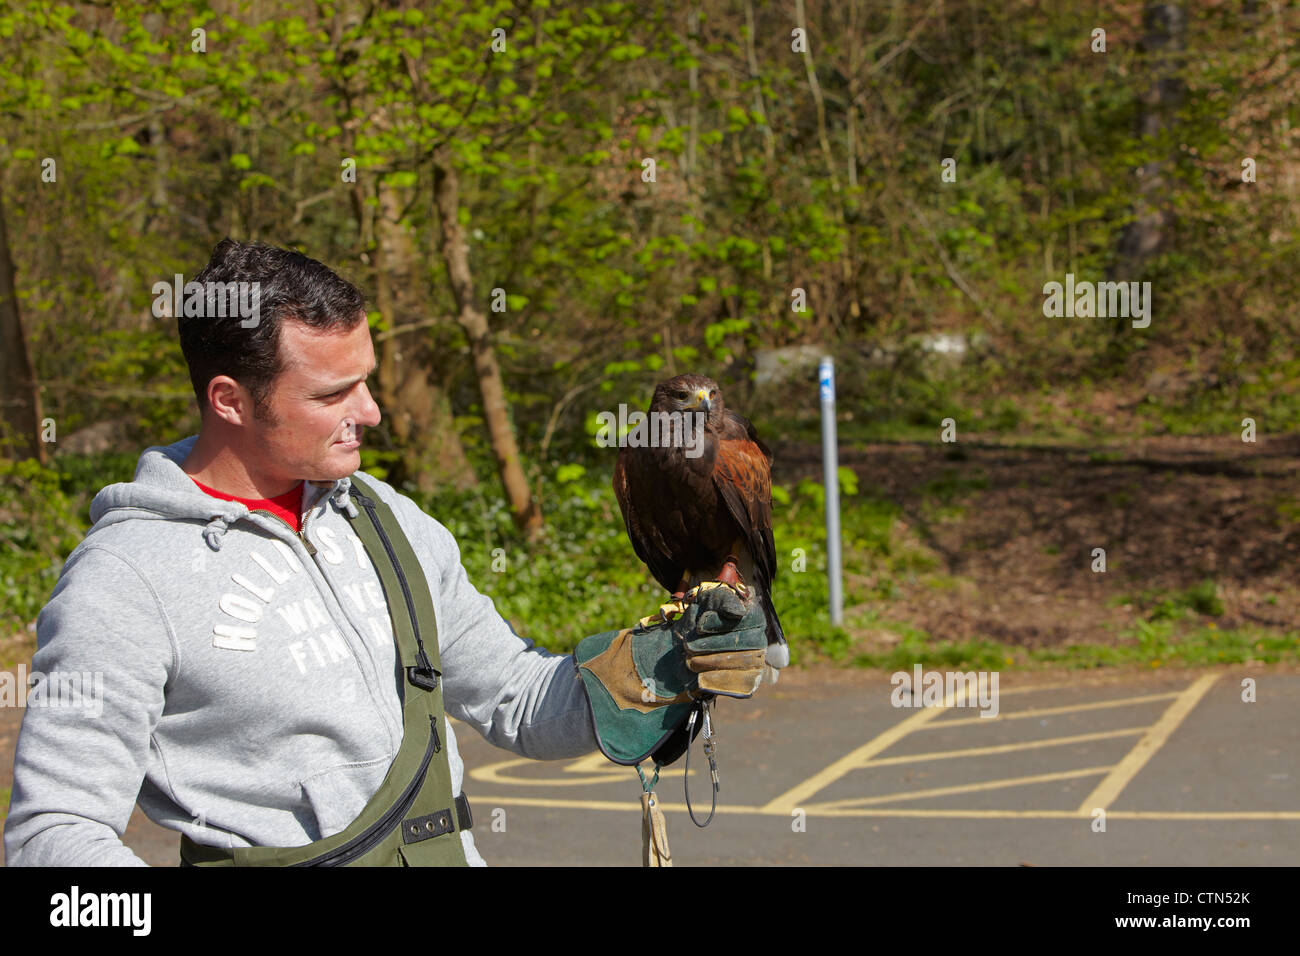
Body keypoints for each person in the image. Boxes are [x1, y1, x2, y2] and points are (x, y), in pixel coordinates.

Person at [3, 239, 769, 866]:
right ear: (230, 400)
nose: (369, 411)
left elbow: (515, 698)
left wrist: (664, 665)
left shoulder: (386, 520)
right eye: (332, 394)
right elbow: (52, 835)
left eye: (366, 381)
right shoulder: (126, 580)